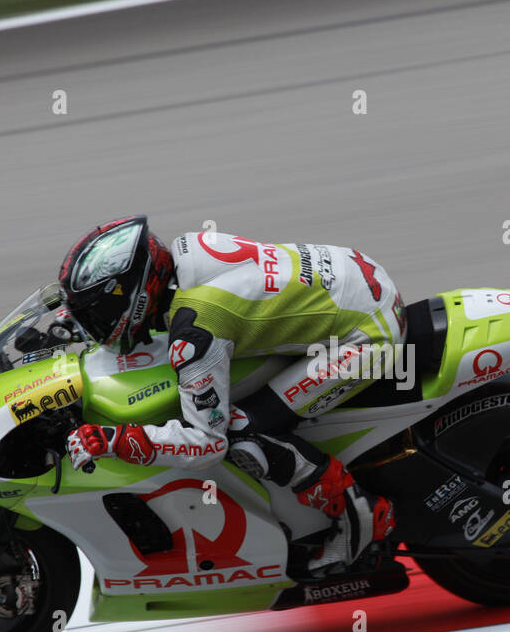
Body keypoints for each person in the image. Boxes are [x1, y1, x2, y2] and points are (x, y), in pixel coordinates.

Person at [58, 215, 403, 576]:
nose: (92, 328)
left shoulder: (197, 330)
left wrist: (116, 439)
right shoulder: (186, 250)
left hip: (367, 334)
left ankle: (359, 516)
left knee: (243, 432)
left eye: (96, 317)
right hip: (359, 274)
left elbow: (207, 445)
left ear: (136, 299)